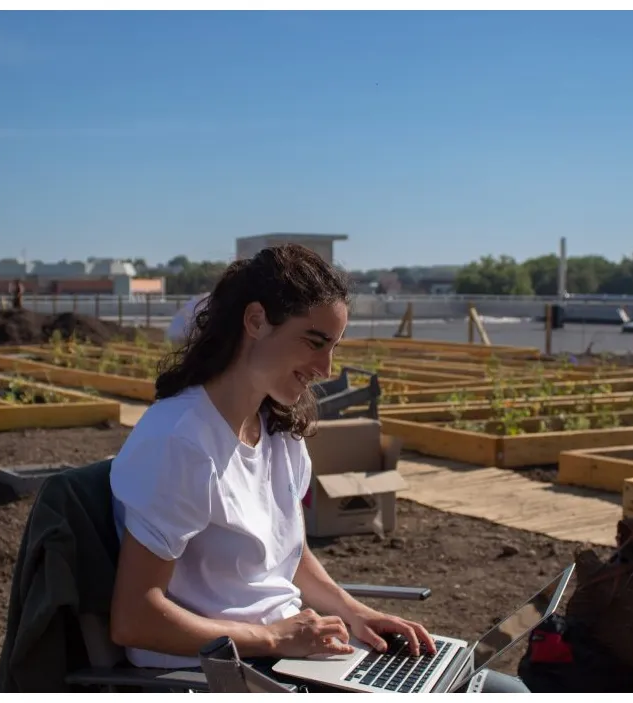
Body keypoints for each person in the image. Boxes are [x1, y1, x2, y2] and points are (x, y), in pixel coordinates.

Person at [108, 244, 436, 673]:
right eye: (315, 342)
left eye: (333, 347)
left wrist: (356, 613)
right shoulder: (179, 441)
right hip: (219, 672)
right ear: (256, 320)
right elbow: (135, 619)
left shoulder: (279, 432)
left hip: (288, 655)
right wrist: (272, 639)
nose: (326, 367)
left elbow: (288, 553)